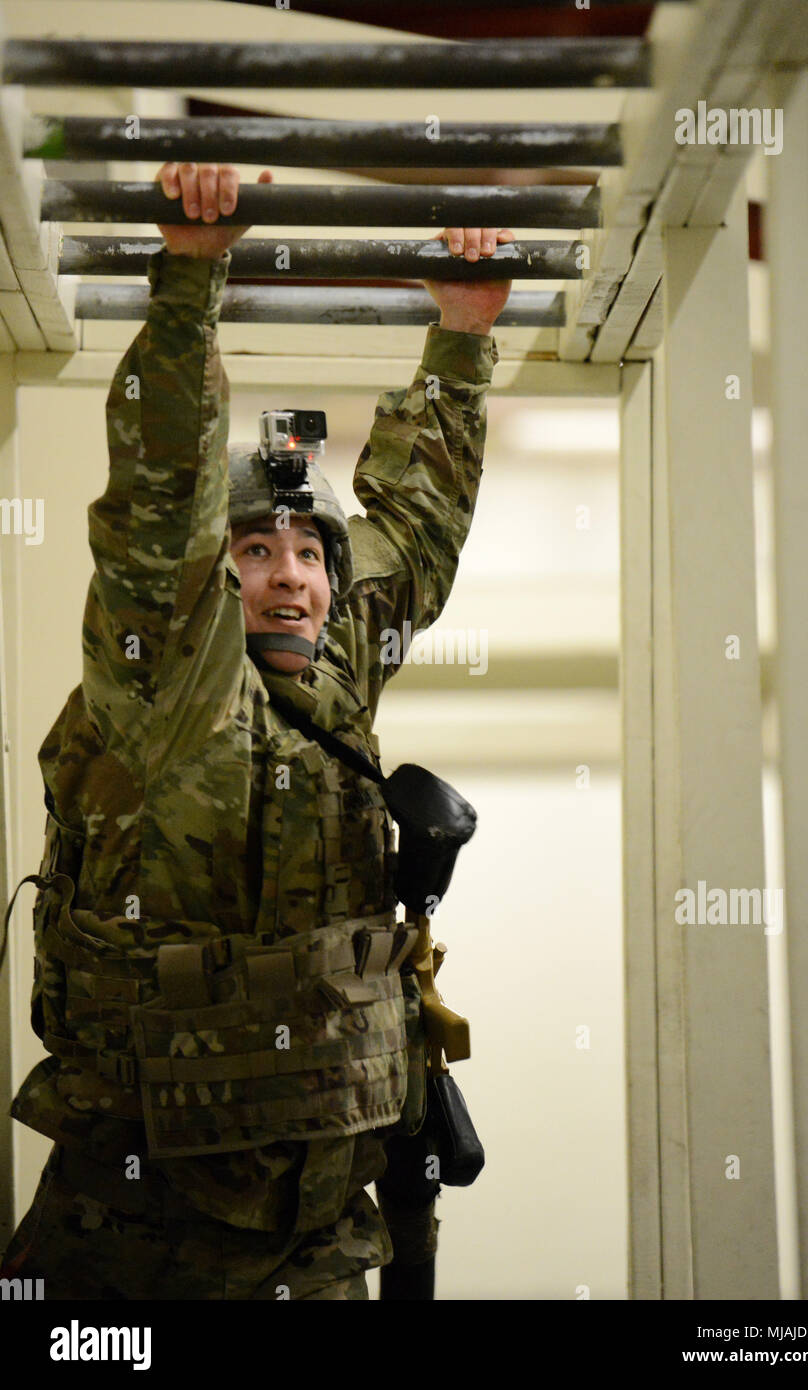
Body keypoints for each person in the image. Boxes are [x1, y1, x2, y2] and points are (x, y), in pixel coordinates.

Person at [0, 161, 512, 1300]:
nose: (293, 579)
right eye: (254, 553)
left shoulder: (333, 679)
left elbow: (413, 532)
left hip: (319, 1226)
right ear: (210, 581)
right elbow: (158, 499)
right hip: (134, 1240)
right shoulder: (168, 686)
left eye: (310, 555)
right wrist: (189, 281)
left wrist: (463, 336)